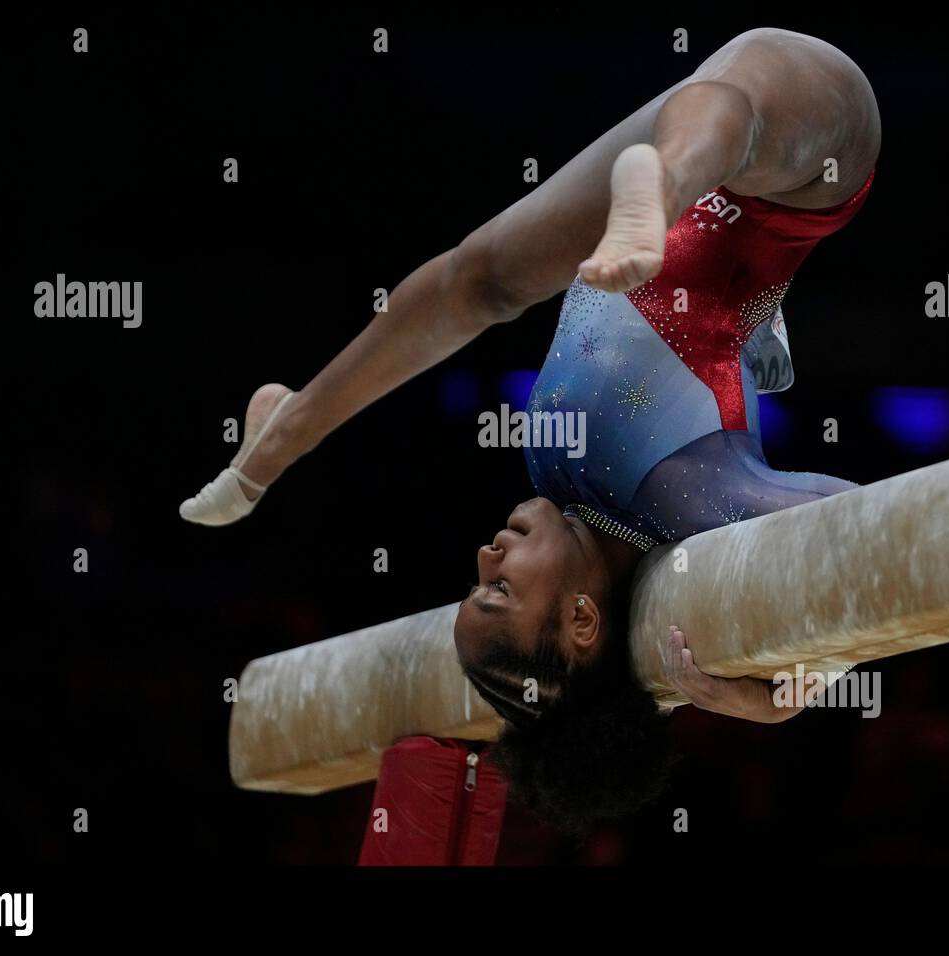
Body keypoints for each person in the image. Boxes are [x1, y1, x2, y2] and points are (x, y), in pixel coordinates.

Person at [181, 27, 881, 834]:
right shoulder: (686, 497)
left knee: (481, 278)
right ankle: (663, 189)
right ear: (583, 622)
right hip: (806, 153)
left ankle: (288, 429)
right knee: (736, 111)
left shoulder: (568, 486)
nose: (484, 555)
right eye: (499, 588)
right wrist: (810, 673)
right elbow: (861, 532)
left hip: (693, 170)